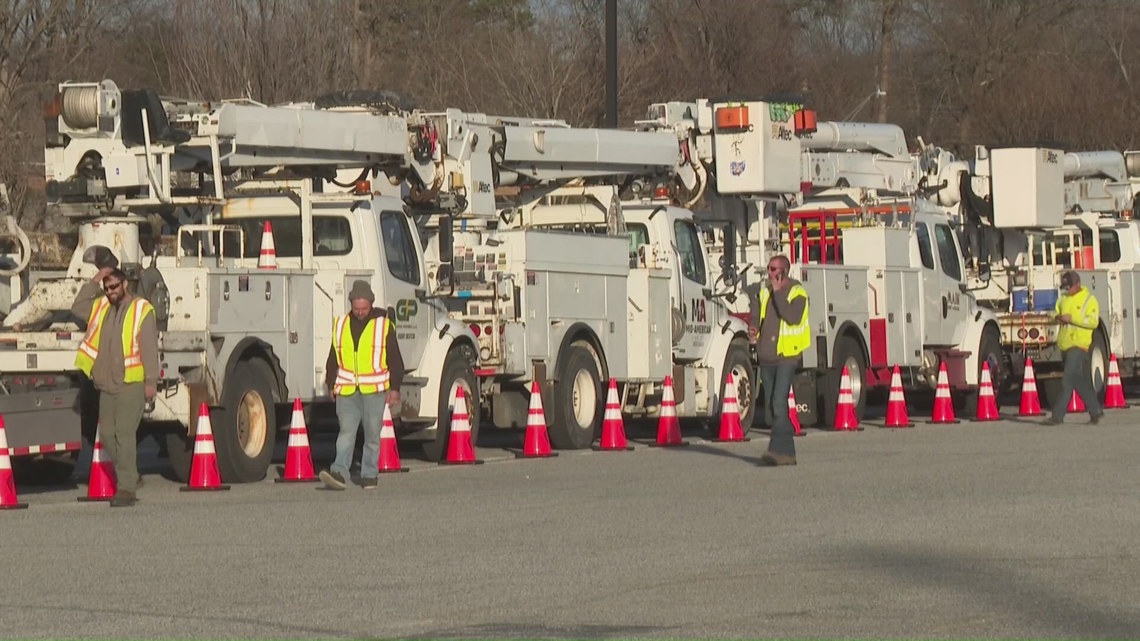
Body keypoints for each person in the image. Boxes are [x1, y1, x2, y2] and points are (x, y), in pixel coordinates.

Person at [72, 267, 159, 507]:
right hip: (105, 384)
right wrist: (95, 281)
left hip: (131, 383)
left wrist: (151, 381)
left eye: (113, 287)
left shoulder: (142, 310)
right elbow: (77, 307)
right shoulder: (100, 306)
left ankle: (127, 489)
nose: (110, 292)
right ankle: (131, 475)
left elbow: (150, 347)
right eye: (106, 288)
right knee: (108, 435)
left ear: (124, 284)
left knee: (124, 434)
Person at [319, 280, 404, 490]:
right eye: (356, 308)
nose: (359, 312)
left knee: (372, 434)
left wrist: (395, 388)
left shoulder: (383, 325)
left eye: (364, 308)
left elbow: (395, 359)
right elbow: (333, 358)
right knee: (346, 433)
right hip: (347, 390)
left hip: (374, 390)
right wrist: (331, 383)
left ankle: (369, 475)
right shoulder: (340, 325)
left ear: (371, 304)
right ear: (351, 304)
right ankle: (339, 472)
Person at [756, 254, 810, 466]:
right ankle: (788, 453)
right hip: (767, 357)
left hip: (786, 356)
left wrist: (778, 293)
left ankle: (777, 450)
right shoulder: (764, 292)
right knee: (771, 409)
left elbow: (792, 317)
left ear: (784, 271)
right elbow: (757, 314)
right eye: (769, 268)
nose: (770, 273)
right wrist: (753, 328)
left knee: (779, 403)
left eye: (774, 269)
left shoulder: (797, 292)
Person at [1045, 270, 1103, 425]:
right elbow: (1053, 312)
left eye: (1069, 287)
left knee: (1068, 379)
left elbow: (1093, 321)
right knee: (1078, 380)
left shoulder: (1089, 300)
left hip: (1079, 345)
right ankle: (1095, 410)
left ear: (1078, 284)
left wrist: (1073, 319)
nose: (1067, 290)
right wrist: (1057, 317)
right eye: (1065, 287)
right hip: (1065, 345)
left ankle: (1057, 415)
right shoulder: (1063, 299)